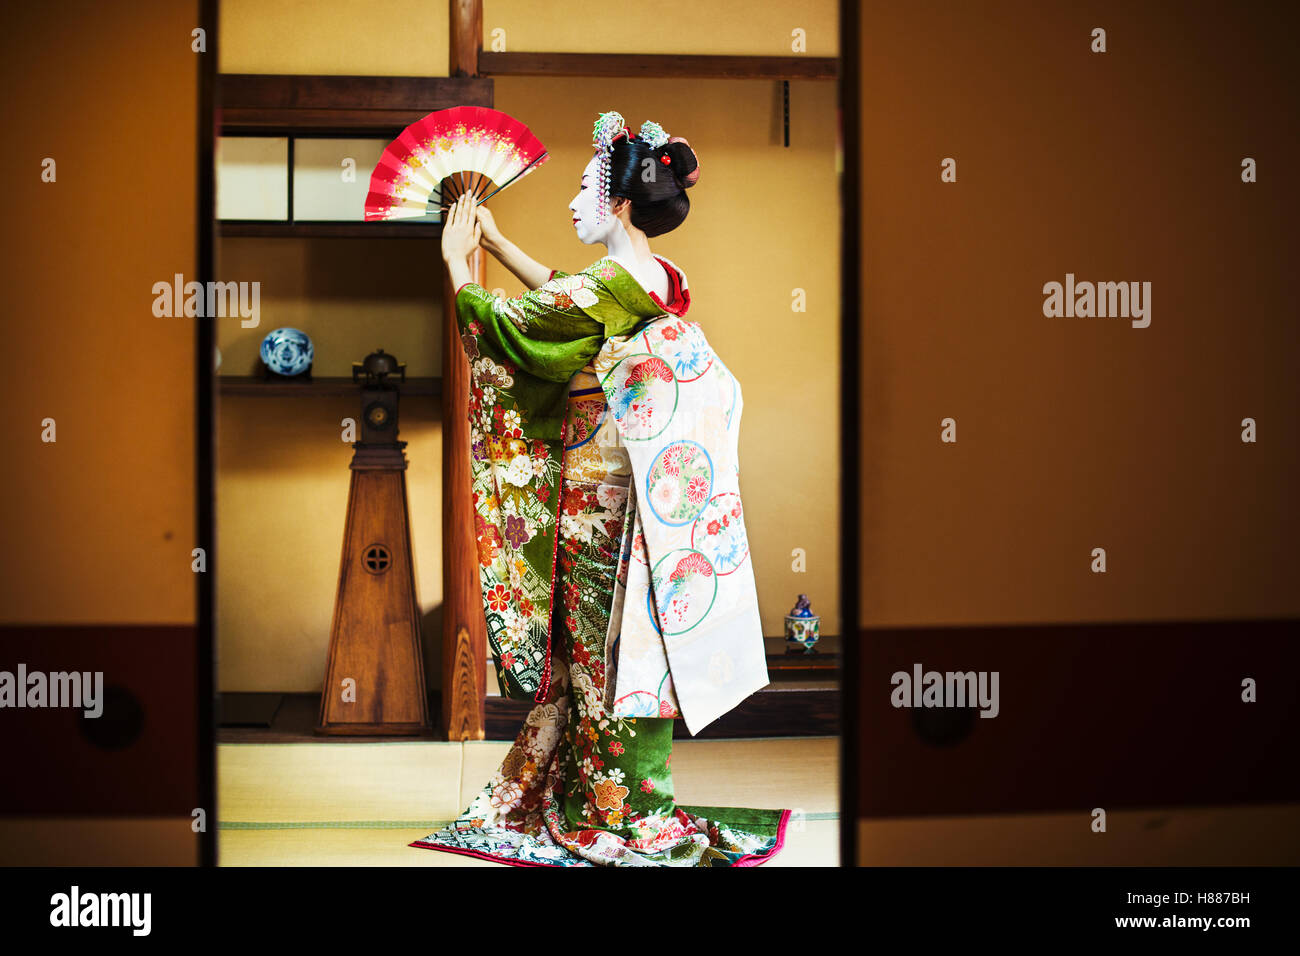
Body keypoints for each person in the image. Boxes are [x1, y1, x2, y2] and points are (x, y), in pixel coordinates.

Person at [414, 111, 789, 866]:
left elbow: (522, 327)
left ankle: (621, 807)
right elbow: (567, 301)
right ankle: (612, 795)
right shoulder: (650, 279)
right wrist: (495, 243)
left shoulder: (614, 284)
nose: (571, 205)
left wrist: (459, 269)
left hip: (603, 497)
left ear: (618, 202)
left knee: (601, 656)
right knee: (612, 653)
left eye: (584, 190)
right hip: (630, 490)